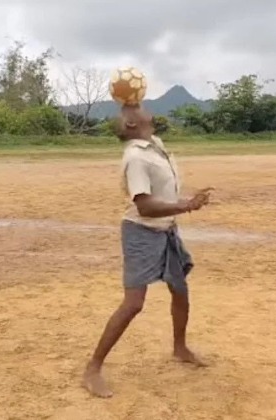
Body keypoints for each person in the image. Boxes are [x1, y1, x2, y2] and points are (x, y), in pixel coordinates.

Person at [83, 104, 213, 398]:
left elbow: (162, 195)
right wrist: (186, 205)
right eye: (135, 108)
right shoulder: (136, 157)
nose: (144, 107)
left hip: (167, 229)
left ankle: (180, 348)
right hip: (141, 233)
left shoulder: (155, 145)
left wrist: (182, 204)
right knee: (133, 304)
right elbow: (144, 206)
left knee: (180, 288)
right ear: (130, 123)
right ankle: (92, 368)